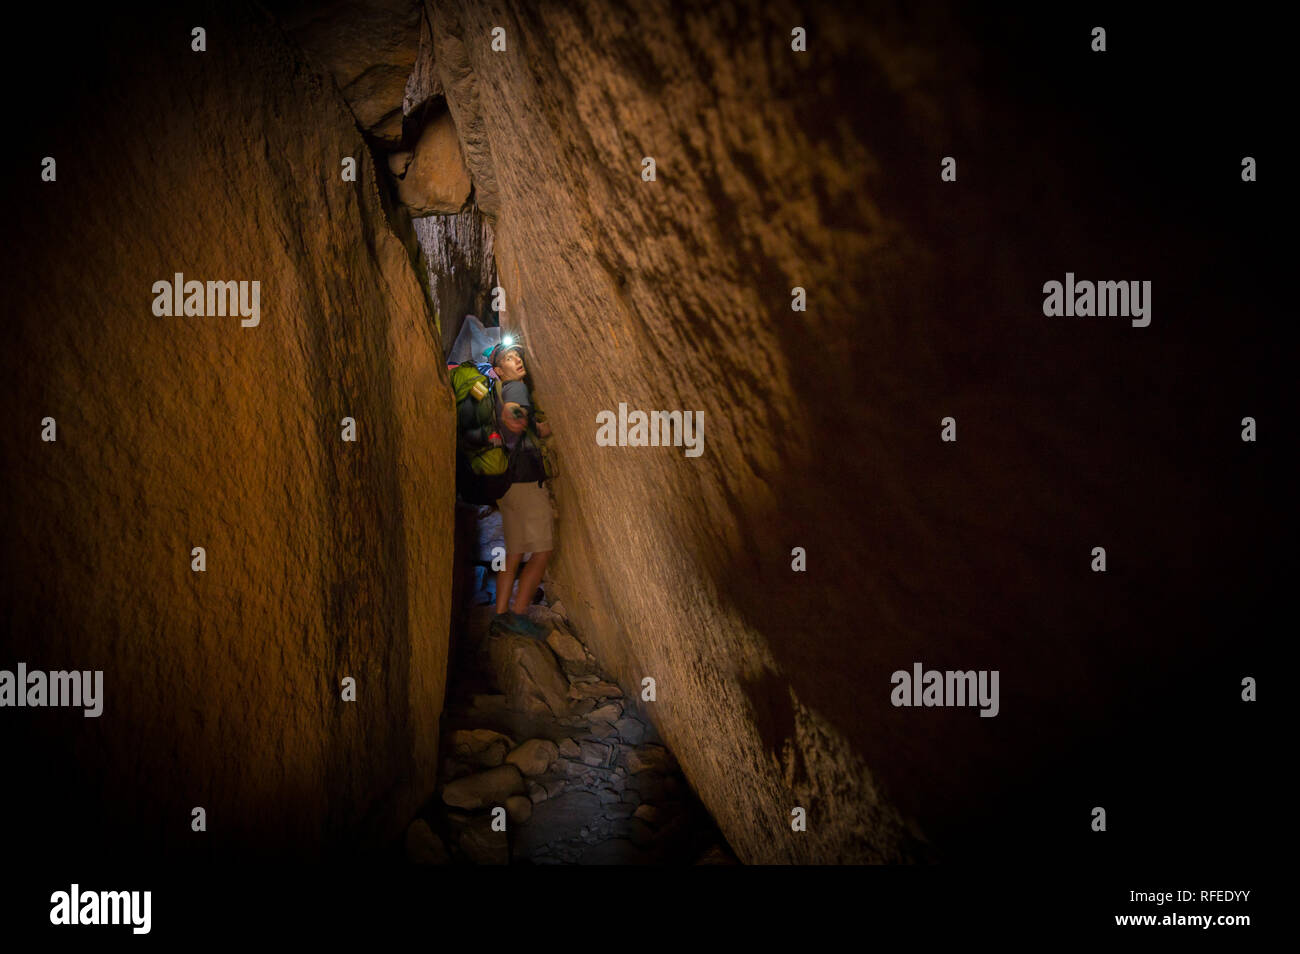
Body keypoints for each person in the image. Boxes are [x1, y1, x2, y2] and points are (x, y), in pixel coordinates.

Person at [486, 340, 555, 639]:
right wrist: (517, 417)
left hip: (506, 484)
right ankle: (518, 614)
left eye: (517, 355)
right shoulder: (515, 388)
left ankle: (500, 617)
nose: (517, 360)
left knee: (513, 553)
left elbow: (519, 427)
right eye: (509, 358)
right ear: (499, 370)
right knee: (541, 551)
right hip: (526, 482)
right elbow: (513, 417)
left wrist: (535, 428)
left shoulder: (499, 391)